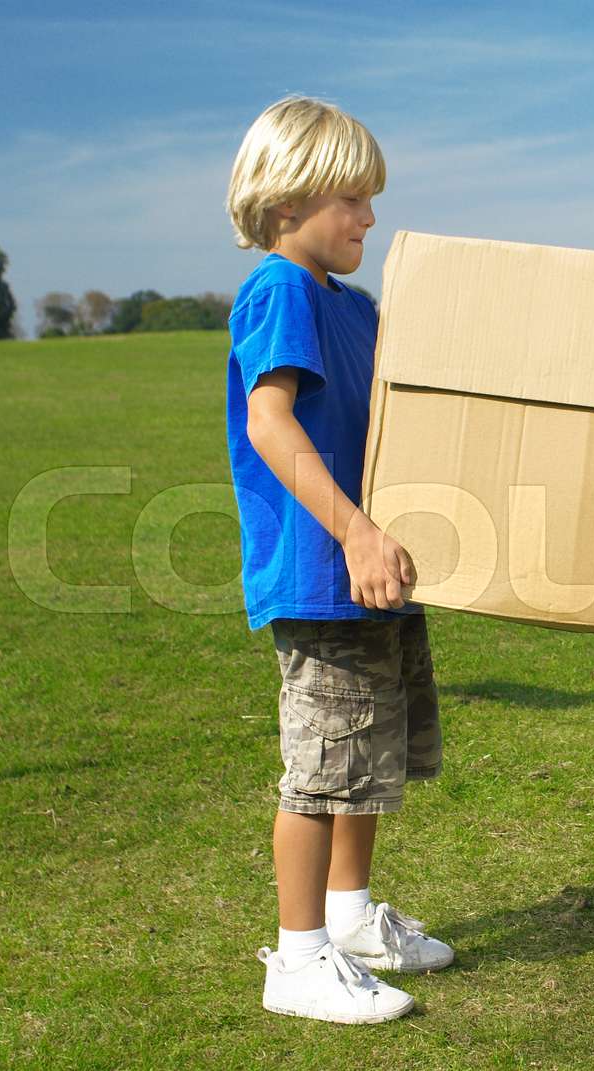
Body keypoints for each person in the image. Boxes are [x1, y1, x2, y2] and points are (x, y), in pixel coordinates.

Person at [224, 96, 452, 1026]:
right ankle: (299, 956)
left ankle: (350, 918)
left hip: (376, 571)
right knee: (320, 771)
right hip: (327, 573)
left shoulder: (352, 306)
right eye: (353, 201)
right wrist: (355, 531)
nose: (368, 219)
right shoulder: (278, 290)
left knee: (369, 756)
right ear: (290, 202)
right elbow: (269, 420)